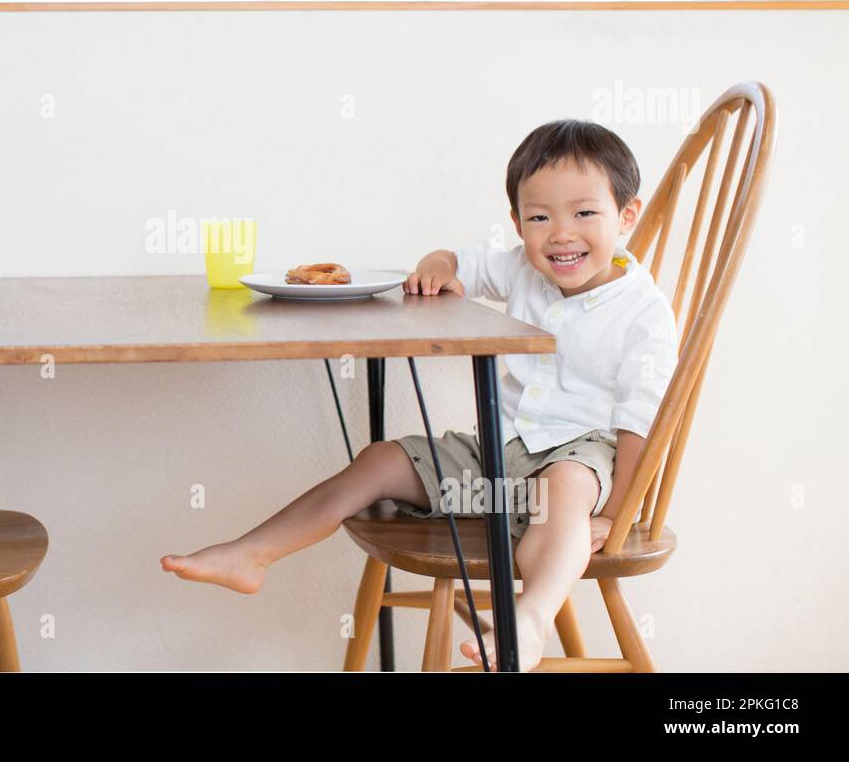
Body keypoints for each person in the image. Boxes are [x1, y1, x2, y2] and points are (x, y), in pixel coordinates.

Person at [160, 119, 679, 671]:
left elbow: (640, 427)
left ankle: (529, 619)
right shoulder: (523, 268)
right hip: (496, 466)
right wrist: (437, 267)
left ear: (626, 216)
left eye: (584, 213)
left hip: (579, 462)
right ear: (517, 223)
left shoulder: (644, 314)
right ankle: (254, 553)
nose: (561, 233)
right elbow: (454, 261)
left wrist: (618, 515)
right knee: (380, 459)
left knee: (566, 488)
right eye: (540, 217)